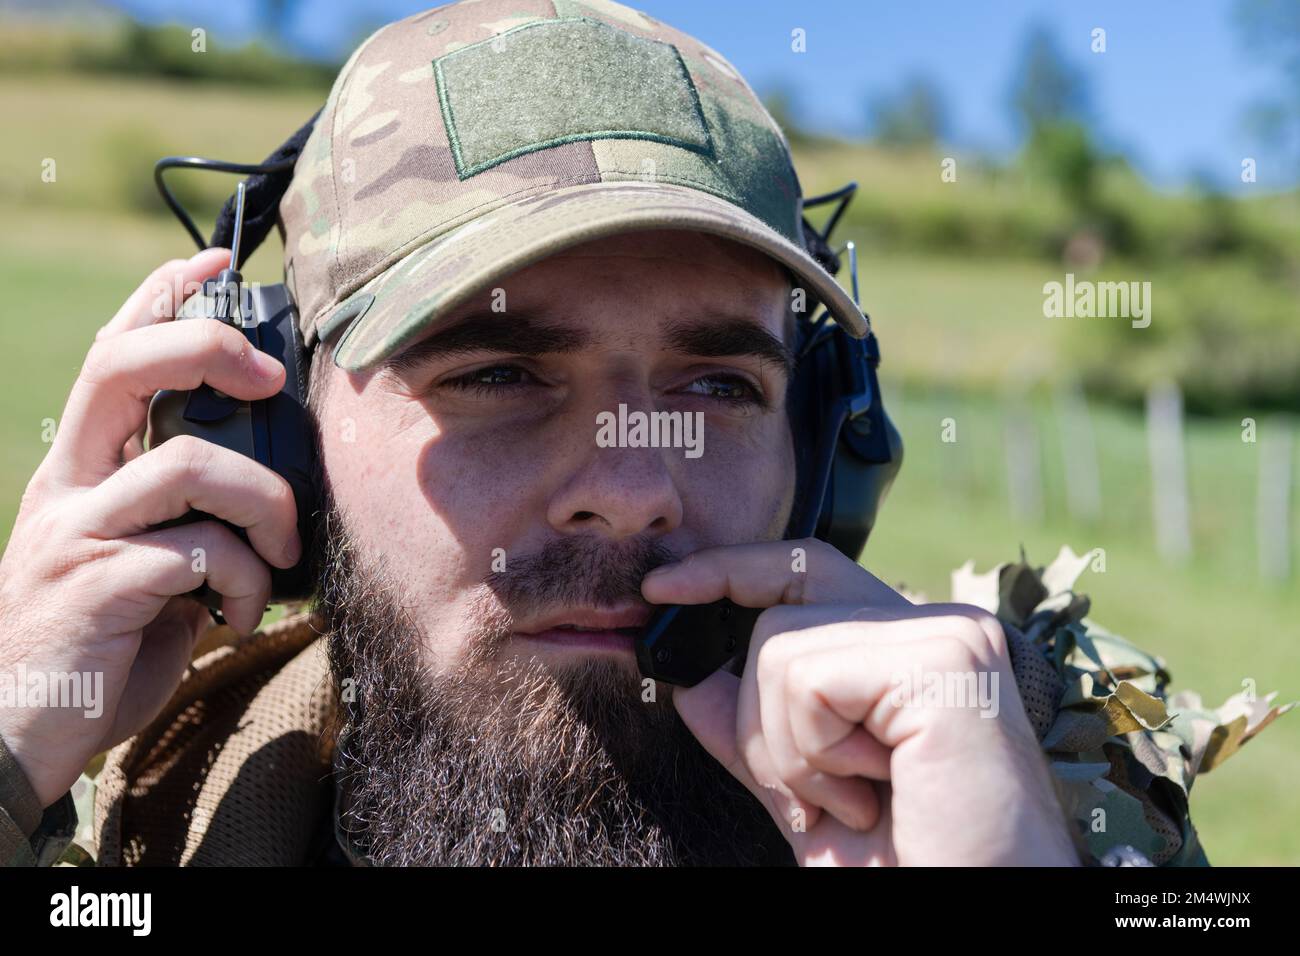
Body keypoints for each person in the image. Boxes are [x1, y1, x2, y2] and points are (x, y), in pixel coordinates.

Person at [0, 0, 1281, 867]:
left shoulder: (1025, 783)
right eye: (498, 371)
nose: (630, 489)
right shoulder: (145, 815)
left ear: (824, 443)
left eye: (720, 387)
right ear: (273, 438)